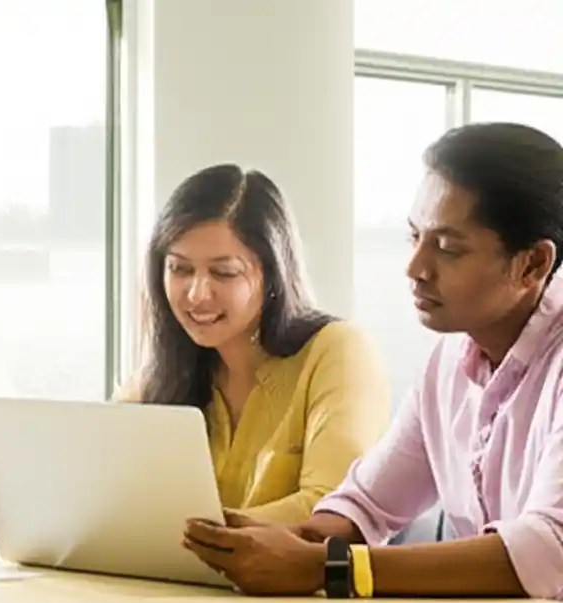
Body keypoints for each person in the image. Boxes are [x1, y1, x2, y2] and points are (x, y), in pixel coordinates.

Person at [183, 122, 563, 600]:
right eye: (414, 237)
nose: (415, 268)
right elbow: (367, 503)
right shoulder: (450, 360)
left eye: (447, 248)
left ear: (532, 265)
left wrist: (327, 567)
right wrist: (269, 544)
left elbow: (550, 549)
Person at [114, 164, 390, 523]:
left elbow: (332, 507)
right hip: (178, 577)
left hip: (294, 580)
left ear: (273, 275)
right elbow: (100, 483)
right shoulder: (161, 376)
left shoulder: (337, 351)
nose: (197, 294)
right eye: (180, 269)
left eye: (223, 273)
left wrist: (189, 535)